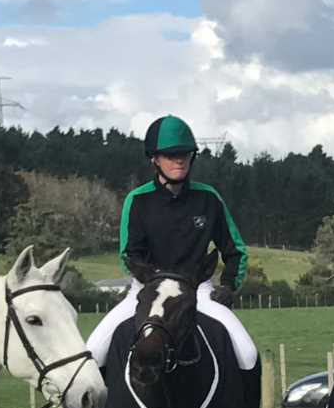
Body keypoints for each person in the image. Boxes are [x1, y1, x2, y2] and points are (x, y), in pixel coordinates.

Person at [86, 116, 257, 372]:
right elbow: (129, 254)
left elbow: (235, 250)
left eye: (185, 154)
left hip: (198, 290)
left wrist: (229, 286)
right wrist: (155, 281)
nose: (179, 160)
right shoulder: (138, 200)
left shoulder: (208, 198)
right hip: (147, 290)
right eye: (170, 155)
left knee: (247, 353)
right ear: (154, 158)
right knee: (94, 351)